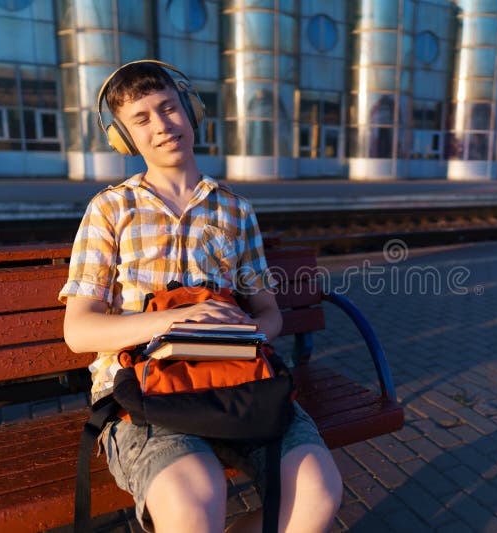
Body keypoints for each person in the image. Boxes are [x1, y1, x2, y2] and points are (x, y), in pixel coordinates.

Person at [58, 60, 342, 533]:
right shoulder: (110, 209)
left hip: (236, 380)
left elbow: (268, 312)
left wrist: (249, 329)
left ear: (190, 111)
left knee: (317, 491)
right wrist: (176, 320)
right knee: (195, 500)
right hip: (145, 390)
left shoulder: (234, 209)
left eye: (169, 108)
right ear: (124, 139)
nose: (163, 125)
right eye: (142, 118)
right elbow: (79, 330)